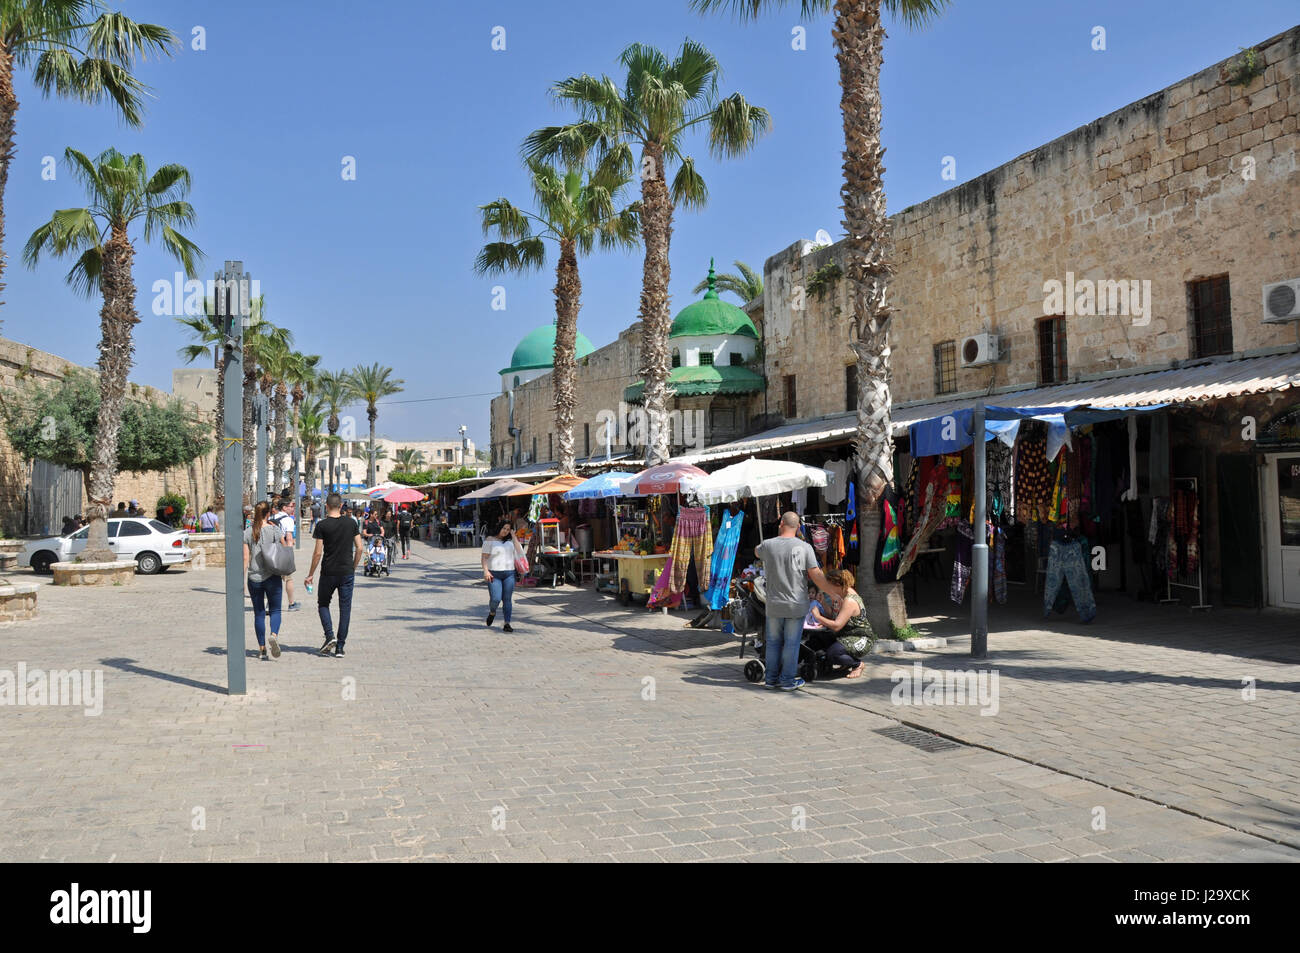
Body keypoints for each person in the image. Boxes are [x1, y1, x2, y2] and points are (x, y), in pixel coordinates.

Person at [755, 512, 831, 692]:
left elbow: (756, 551)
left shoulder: (768, 545)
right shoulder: (805, 547)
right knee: (791, 643)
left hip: (773, 603)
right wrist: (831, 592)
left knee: (773, 642)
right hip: (796, 604)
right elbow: (816, 574)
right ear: (798, 528)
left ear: (781, 523)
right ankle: (787, 680)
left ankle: (771, 679)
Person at [305, 492, 364, 657]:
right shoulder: (351, 523)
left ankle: (329, 635)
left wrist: (310, 574)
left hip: (328, 572)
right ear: (341, 506)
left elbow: (317, 553)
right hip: (346, 572)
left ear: (326, 506)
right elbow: (359, 548)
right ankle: (340, 647)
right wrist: (353, 567)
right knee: (345, 609)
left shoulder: (322, 525)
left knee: (323, 604)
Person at [809, 568, 873, 679]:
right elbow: (832, 616)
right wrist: (823, 603)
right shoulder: (840, 595)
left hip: (859, 638)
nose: (827, 588)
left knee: (833, 654)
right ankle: (844, 663)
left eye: (829, 585)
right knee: (816, 640)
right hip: (844, 636)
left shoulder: (849, 600)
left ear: (837, 584)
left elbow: (837, 625)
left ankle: (857, 664)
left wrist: (818, 617)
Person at [243, 501, 286, 661]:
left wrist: (242, 579)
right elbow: (285, 546)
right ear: (268, 513)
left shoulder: (248, 532)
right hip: (273, 576)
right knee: (275, 610)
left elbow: (245, 557)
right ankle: (273, 634)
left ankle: (262, 649)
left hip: (254, 578)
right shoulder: (274, 530)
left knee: (259, 613)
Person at [481, 518, 523, 633]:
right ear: (499, 527)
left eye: (508, 529)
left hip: (509, 573)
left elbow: (520, 552)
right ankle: (492, 612)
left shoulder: (510, 541)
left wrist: (514, 536)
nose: (505, 531)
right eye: (504, 528)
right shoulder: (490, 540)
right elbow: (484, 557)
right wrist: (486, 571)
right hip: (494, 574)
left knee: (507, 599)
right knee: (495, 599)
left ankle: (507, 623)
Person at [271, 496, 301, 611]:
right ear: (284, 507)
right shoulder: (288, 520)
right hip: (282, 552)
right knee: (288, 578)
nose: (292, 508)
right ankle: (291, 603)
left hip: (271, 552)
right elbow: (289, 538)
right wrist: (289, 555)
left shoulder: (271, 517)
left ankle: (271, 604)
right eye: (291, 506)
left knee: (272, 579)